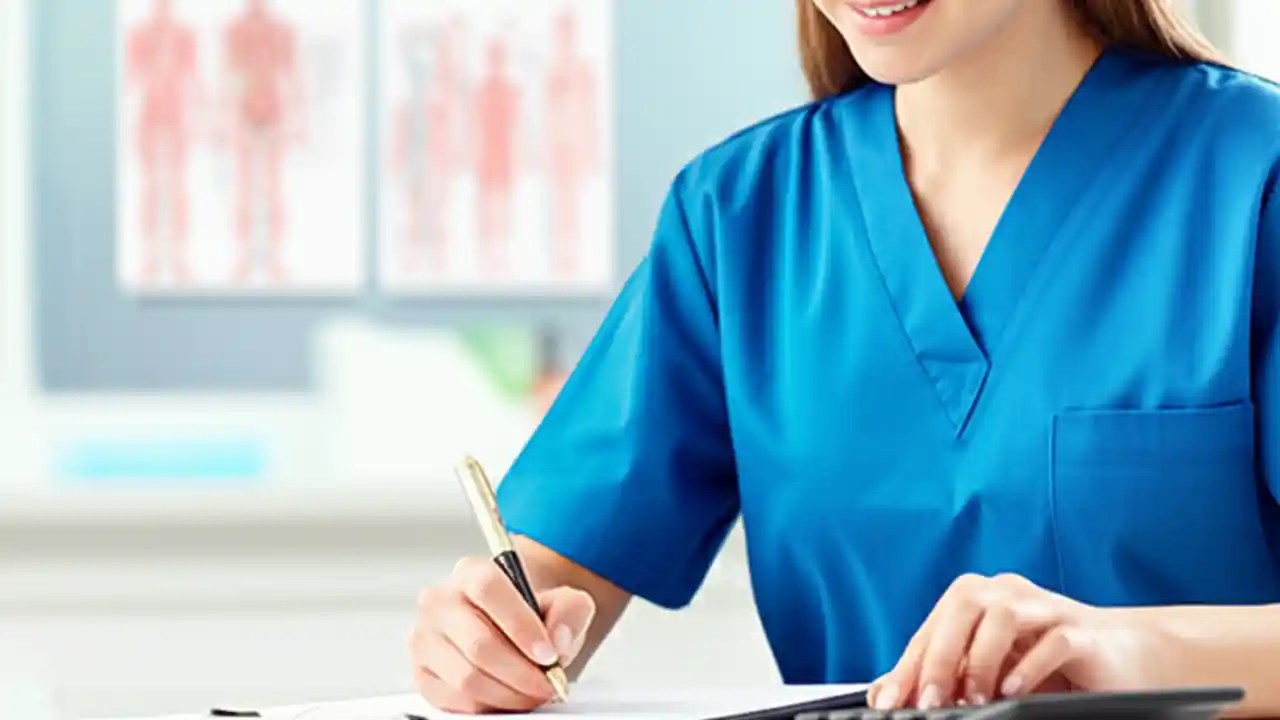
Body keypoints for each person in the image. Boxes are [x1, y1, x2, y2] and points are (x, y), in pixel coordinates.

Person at [408, 0, 1280, 715]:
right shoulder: (740, 215)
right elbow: (553, 588)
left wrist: (1125, 649)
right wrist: (489, 644)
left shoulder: (1253, 179)